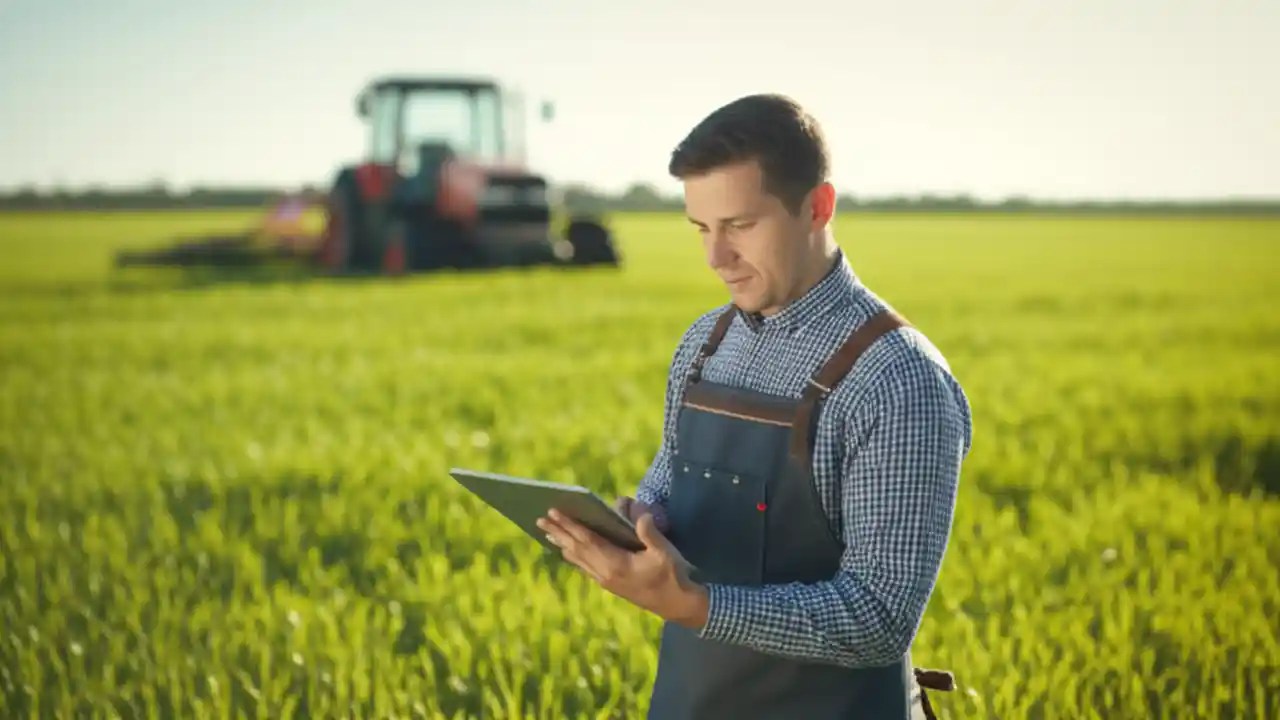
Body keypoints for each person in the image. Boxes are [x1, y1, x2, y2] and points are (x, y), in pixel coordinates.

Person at [536, 93, 973, 719]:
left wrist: (695, 605)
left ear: (817, 208)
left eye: (739, 226)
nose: (716, 258)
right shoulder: (704, 344)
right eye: (701, 229)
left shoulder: (898, 379)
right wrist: (637, 522)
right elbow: (667, 482)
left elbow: (877, 618)